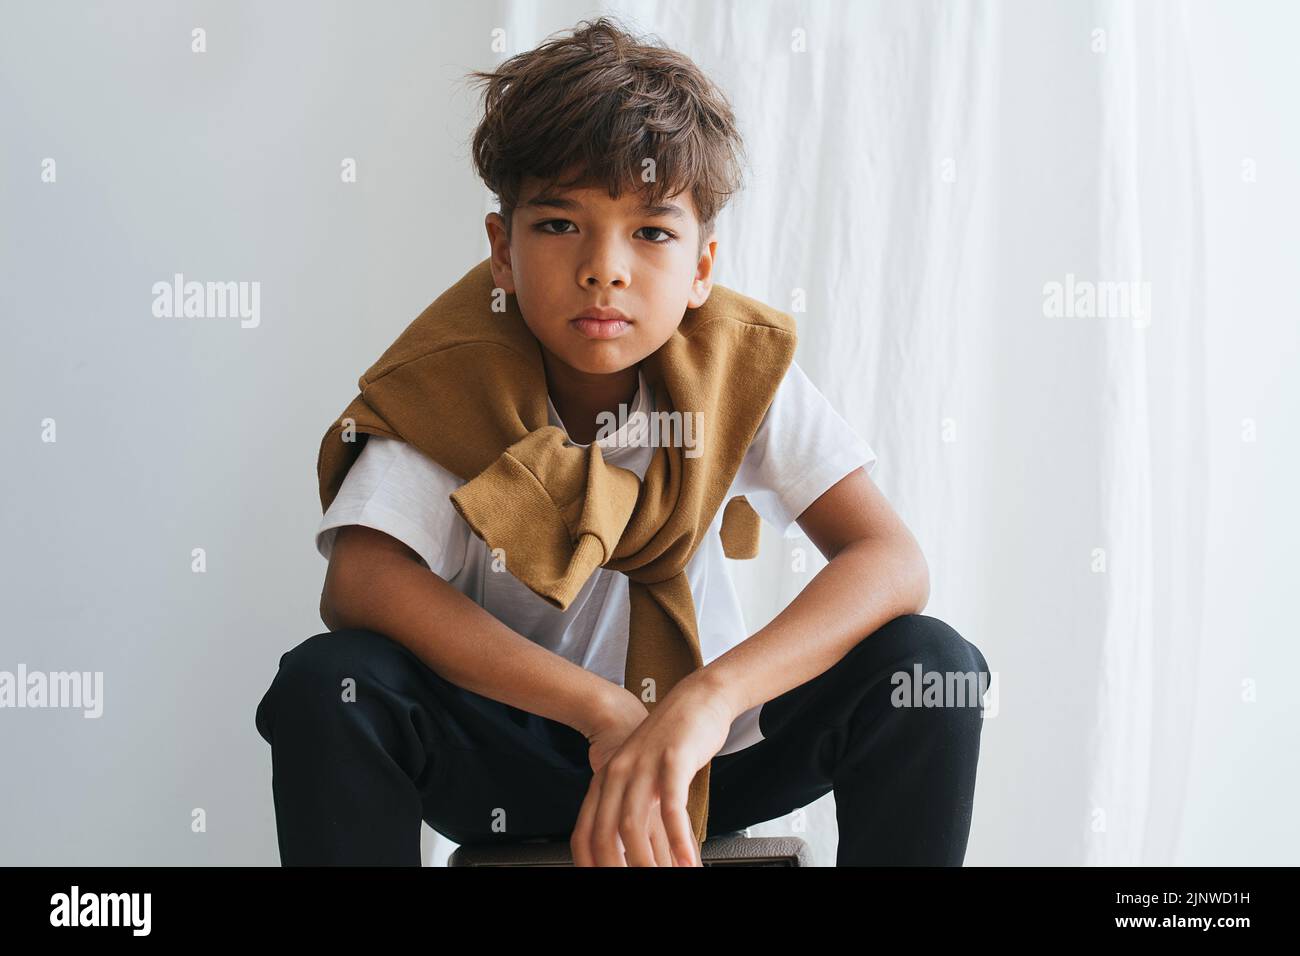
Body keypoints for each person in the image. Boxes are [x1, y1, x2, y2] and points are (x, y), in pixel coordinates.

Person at [255, 14, 990, 867]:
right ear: (502, 249)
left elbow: (890, 559)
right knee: (327, 684)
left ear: (702, 268)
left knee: (931, 666)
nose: (605, 267)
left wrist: (708, 701)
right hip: (517, 758)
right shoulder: (453, 380)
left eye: (651, 232)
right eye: (560, 225)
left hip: (706, 758)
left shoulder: (733, 369)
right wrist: (600, 711)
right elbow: (361, 580)